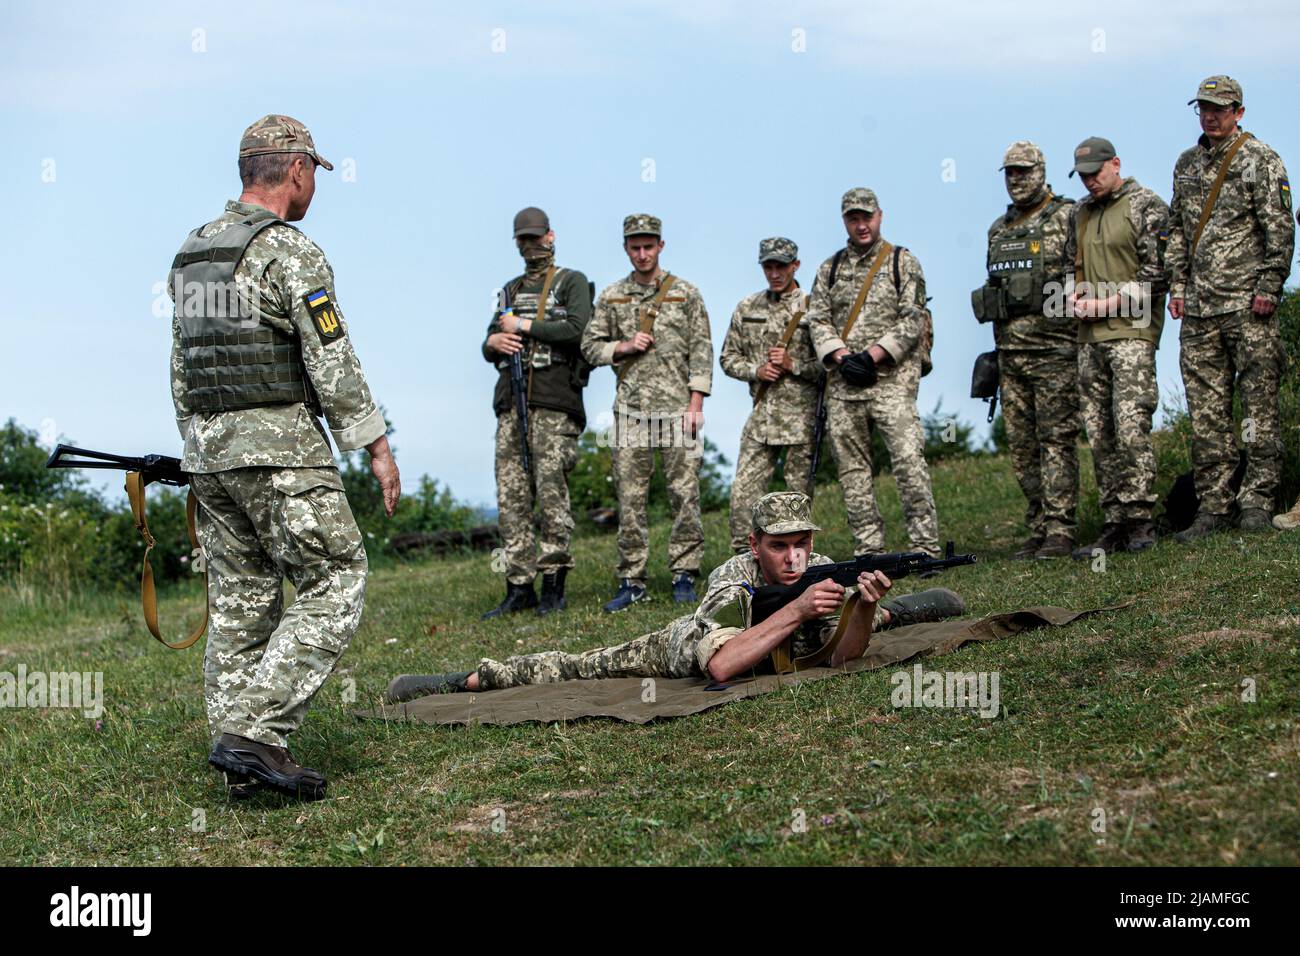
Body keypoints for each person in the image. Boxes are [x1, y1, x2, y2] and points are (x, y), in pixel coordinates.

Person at [170, 115, 400, 801]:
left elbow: (182, 366)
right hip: (283, 455)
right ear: (297, 170)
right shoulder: (290, 251)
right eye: (312, 175)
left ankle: (240, 760)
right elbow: (331, 359)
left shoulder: (192, 252)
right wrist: (376, 447)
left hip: (212, 457)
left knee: (241, 603)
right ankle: (257, 733)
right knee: (336, 576)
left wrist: (195, 448)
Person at [384, 492, 966, 700]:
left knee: (873, 617)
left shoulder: (820, 568)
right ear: (755, 544)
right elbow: (722, 665)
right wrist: (793, 609)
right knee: (576, 667)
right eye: (779, 547)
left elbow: (841, 659)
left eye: (801, 545)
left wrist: (861, 609)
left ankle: (896, 608)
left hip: (795, 636)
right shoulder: (730, 580)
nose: (793, 559)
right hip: (687, 647)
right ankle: (464, 679)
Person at [1166, 76, 1295, 540]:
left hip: (1248, 306)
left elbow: (1278, 227)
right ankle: (1213, 505)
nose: (1210, 115)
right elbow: (1176, 230)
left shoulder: (1260, 160)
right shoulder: (1185, 164)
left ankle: (1257, 501)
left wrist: (1269, 285)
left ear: (1239, 111)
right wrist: (1177, 285)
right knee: (1207, 414)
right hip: (1200, 310)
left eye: (1219, 108)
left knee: (1257, 407)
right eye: (1203, 107)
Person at [581, 214, 714, 611]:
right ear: (626, 248)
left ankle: (685, 573)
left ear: (661, 246)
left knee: (684, 493)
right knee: (631, 497)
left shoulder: (685, 293)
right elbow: (590, 347)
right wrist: (621, 346)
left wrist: (696, 404)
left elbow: (701, 350)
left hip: (677, 411)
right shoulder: (611, 296)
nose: (642, 253)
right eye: (635, 247)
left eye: (649, 246)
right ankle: (632, 579)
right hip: (631, 413)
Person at [805, 188, 940, 559]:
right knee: (852, 471)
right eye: (853, 218)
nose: (861, 225)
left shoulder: (902, 262)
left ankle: (924, 546)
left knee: (909, 460)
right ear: (844, 221)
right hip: (845, 383)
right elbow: (816, 318)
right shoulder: (829, 269)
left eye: (867, 217)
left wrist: (875, 355)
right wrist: (842, 355)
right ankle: (869, 547)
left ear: (880, 216)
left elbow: (914, 317)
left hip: (892, 382)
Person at [480, 207, 593, 618]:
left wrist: (523, 328)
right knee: (511, 497)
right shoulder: (509, 291)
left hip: (554, 403)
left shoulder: (571, 281)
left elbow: (580, 329)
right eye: (523, 240)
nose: (531, 245)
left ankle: (554, 585)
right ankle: (519, 585)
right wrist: (494, 343)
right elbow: (488, 340)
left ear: (550, 235)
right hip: (512, 404)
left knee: (551, 492)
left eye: (535, 237)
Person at [1063, 137, 1171, 557]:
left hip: (1131, 332)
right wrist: (1070, 300)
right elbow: (1069, 267)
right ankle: (1113, 522)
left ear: (1115, 164)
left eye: (1096, 172)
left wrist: (1104, 304)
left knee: (1130, 426)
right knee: (1100, 430)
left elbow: (1157, 275)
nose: (1090, 182)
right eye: (1084, 176)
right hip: (1089, 338)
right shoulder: (1079, 213)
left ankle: (1141, 518)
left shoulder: (1147, 204)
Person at [973, 142, 1080, 559]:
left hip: (1055, 351)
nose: (1017, 179)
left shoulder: (1068, 216)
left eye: (1024, 171)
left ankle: (1061, 529)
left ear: (1041, 170)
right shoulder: (998, 229)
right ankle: (1037, 525)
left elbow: (1078, 278)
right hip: (1011, 356)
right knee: (1022, 448)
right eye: (1010, 172)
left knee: (1056, 442)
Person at [719, 237, 821, 552]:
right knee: (743, 495)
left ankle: (798, 562)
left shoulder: (814, 307)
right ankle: (743, 557)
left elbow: (830, 366)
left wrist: (795, 365)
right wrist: (756, 371)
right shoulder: (747, 307)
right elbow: (727, 358)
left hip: (801, 418)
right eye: (768, 266)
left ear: (796, 266)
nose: (774, 273)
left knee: (797, 501)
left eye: (781, 266)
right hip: (761, 415)